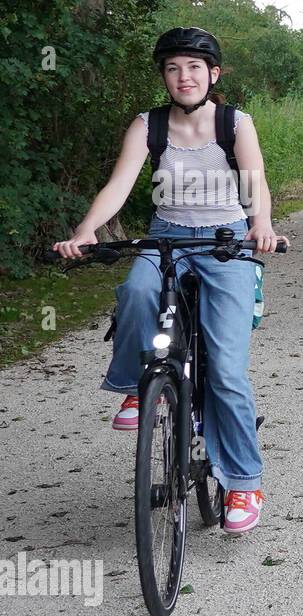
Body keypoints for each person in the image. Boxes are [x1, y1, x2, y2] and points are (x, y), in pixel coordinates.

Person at [52, 27, 282, 533]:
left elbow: (255, 182)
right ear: (164, 77)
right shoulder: (148, 125)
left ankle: (243, 483)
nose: (185, 76)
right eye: (174, 68)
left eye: (195, 67)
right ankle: (140, 386)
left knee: (225, 368)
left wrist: (260, 225)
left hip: (227, 241)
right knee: (136, 290)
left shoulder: (233, 123)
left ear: (212, 74)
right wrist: (87, 230)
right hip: (167, 235)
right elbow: (120, 183)